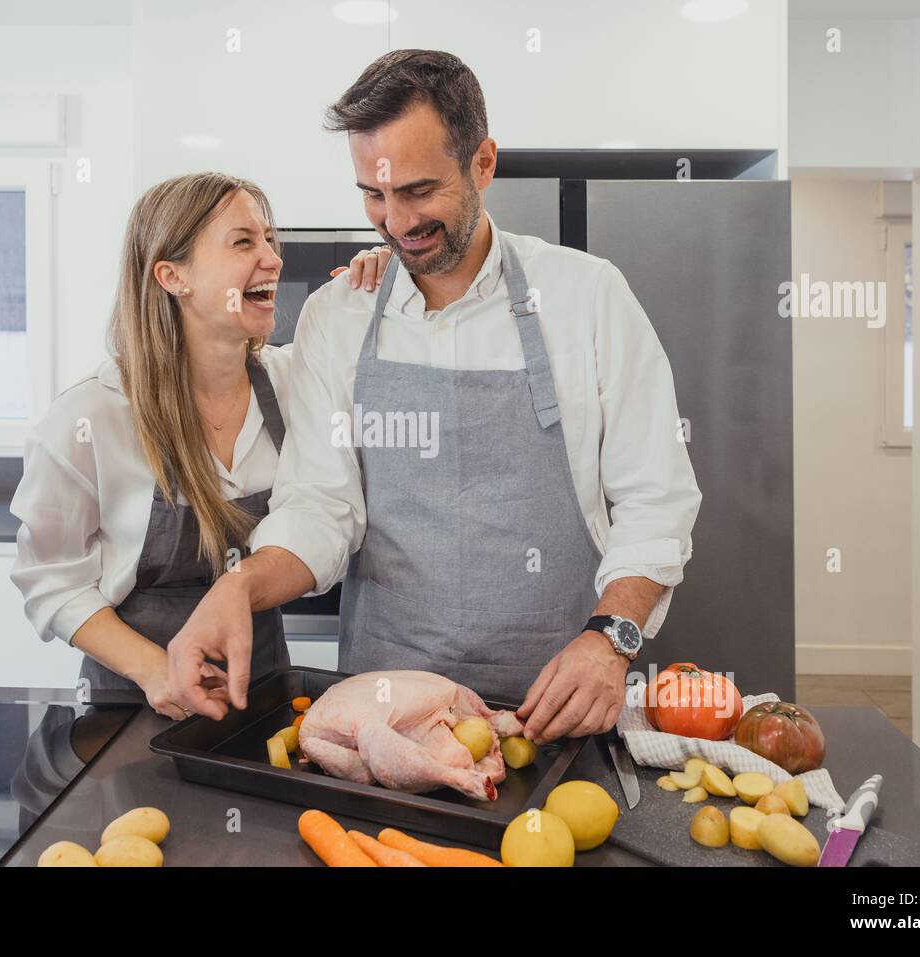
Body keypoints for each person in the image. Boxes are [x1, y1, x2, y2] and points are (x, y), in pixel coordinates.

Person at [166, 51, 702, 743]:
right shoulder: (341, 315)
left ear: (483, 163)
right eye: (373, 194)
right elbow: (321, 510)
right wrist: (238, 586)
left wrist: (611, 637)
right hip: (384, 719)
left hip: (558, 704)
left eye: (419, 190)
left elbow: (656, 498)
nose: (394, 221)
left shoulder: (586, 297)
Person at [9, 171, 388, 717]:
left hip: (263, 695)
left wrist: (378, 288)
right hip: (131, 703)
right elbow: (50, 581)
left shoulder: (291, 385)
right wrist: (156, 672)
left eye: (269, 240)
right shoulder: (90, 417)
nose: (274, 258)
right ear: (172, 275)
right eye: (243, 242)